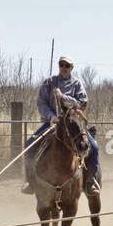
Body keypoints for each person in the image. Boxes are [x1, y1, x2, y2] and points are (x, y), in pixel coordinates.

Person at [21, 55, 101, 197]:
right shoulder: (49, 83)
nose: (64, 68)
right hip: (51, 122)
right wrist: (51, 116)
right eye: (61, 65)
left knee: (93, 147)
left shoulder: (77, 84)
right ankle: (30, 181)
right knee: (29, 145)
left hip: (73, 124)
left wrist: (63, 97)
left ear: (71, 68)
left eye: (67, 65)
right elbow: (41, 103)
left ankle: (91, 180)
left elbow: (83, 102)